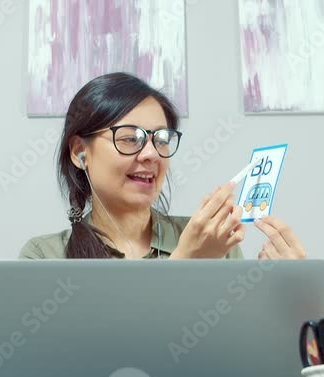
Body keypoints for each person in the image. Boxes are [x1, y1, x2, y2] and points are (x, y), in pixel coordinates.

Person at [18, 72, 306, 260]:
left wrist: (278, 296)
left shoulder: (213, 243)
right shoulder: (45, 257)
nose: (151, 154)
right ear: (80, 152)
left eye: (162, 139)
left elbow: (236, 347)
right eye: (130, 138)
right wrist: (186, 264)